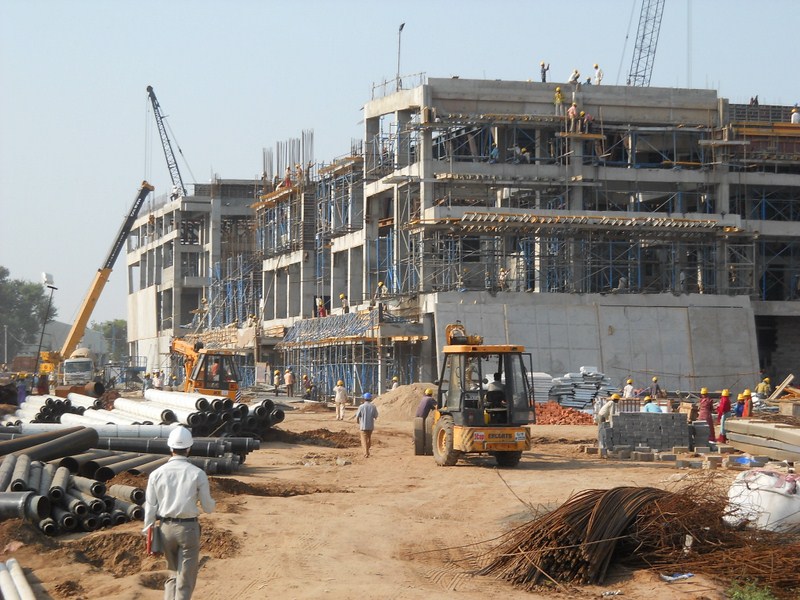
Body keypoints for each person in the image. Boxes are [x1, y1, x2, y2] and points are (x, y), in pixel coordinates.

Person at [143, 427, 215, 600]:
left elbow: (150, 507)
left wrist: (148, 532)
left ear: (170, 448)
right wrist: (211, 503)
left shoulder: (156, 474)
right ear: (189, 448)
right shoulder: (197, 473)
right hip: (188, 529)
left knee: (173, 574)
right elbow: (208, 507)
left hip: (165, 529)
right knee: (186, 579)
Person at [595, 393, 620, 457]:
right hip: (602, 417)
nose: (618, 401)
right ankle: (601, 446)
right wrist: (613, 422)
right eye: (618, 400)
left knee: (601, 431)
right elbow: (612, 414)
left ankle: (600, 444)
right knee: (603, 432)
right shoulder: (612, 403)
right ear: (616, 399)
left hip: (600, 416)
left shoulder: (610, 402)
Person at [356, 392, 379, 458]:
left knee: (364, 440)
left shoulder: (361, 406)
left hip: (363, 426)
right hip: (370, 426)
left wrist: (358, 422)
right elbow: (376, 416)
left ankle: (365, 453)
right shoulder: (373, 406)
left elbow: (357, 416)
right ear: (371, 399)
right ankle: (367, 451)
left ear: (364, 399)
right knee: (369, 439)